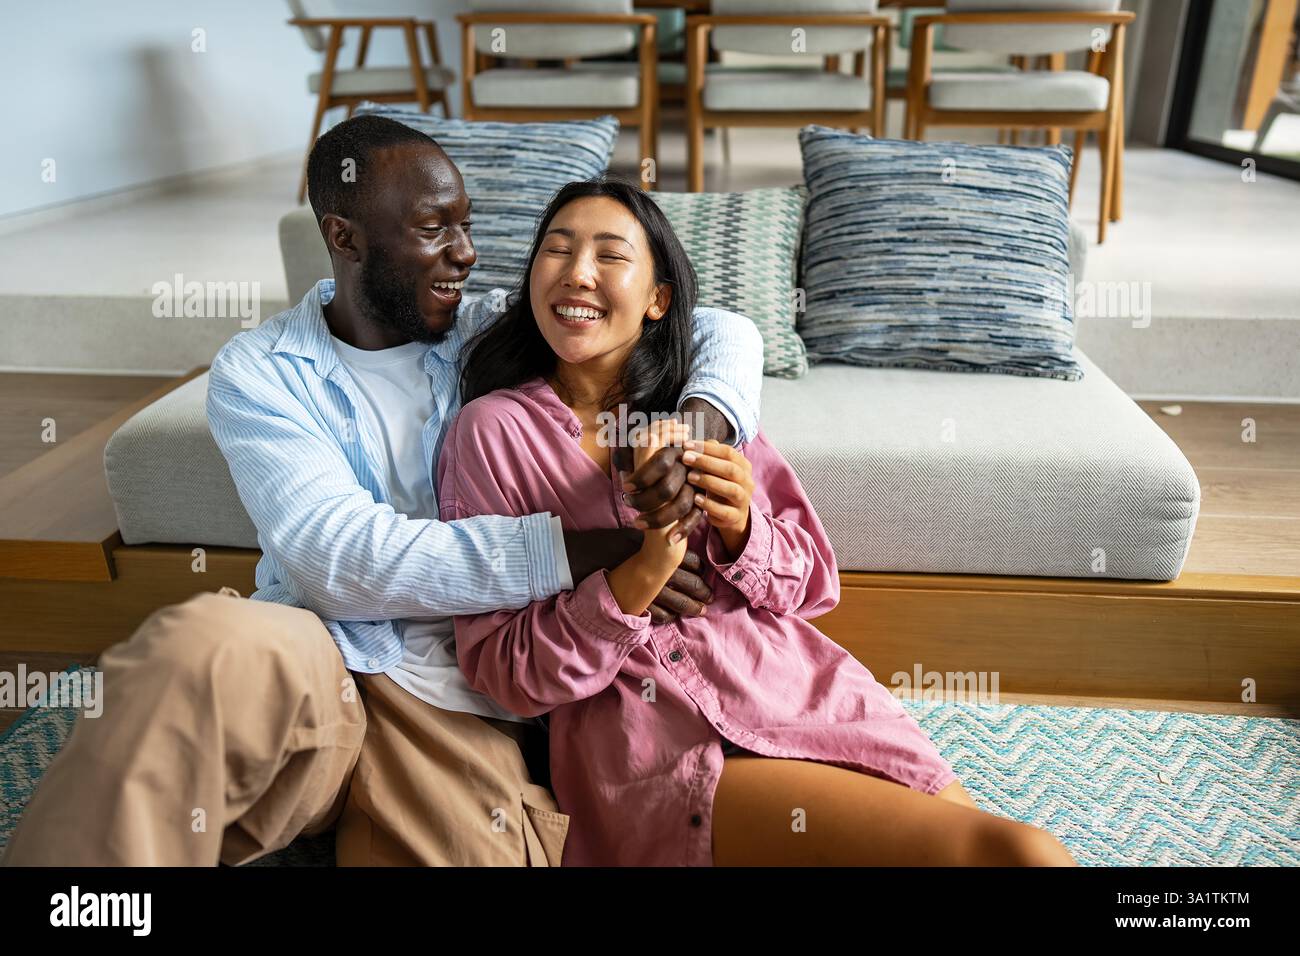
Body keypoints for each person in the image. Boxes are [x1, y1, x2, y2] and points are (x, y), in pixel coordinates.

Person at [0, 116, 764, 867]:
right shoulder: (260, 370)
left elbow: (723, 327)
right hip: (323, 660)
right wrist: (583, 551)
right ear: (346, 238)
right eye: (435, 230)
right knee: (195, 650)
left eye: (466, 226)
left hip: (467, 701)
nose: (465, 255)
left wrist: (695, 431)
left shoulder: (489, 330)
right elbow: (336, 560)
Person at [439, 177, 1079, 866]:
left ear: (658, 299)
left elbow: (811, 584)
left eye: (610, 254)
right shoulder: (491, 432)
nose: (578, 273)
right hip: (657, 750)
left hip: (795, 694)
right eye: (556, 251)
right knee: (1018, 855)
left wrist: (746, 525)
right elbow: (498, 667)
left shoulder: (701, 409)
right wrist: (639, 574)